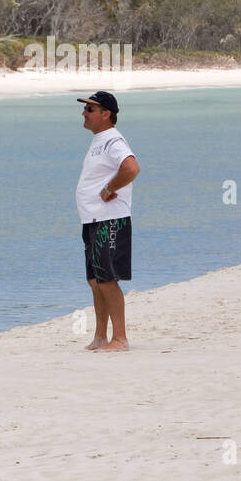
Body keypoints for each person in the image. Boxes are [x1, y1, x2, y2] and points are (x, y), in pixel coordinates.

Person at [76, 91, 140, 351]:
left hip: (110, 219)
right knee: (94, 280)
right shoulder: (99, 140)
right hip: (92, 219)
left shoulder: (114, 140)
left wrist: (109, 188)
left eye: (90, 109)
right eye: (85, 109)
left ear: (106, 114)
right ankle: (101, 336)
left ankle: (120, 339)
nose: (84, 113)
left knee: (106, 279)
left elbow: (132, 168)